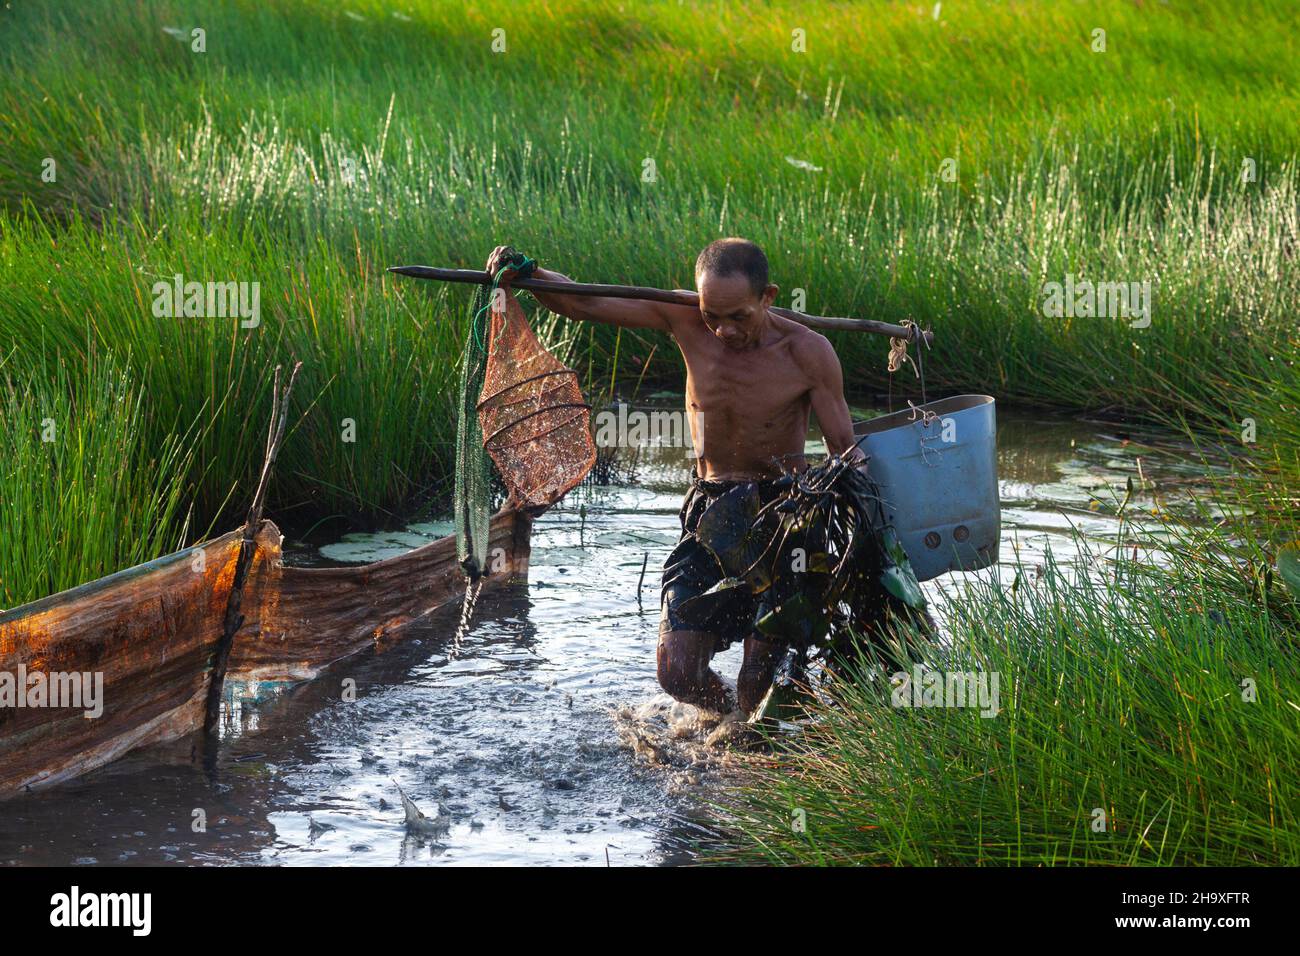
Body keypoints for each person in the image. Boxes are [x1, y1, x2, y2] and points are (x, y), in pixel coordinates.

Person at [485, 238, 866, 715]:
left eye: (738, 317)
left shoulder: (809, 352)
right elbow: (584, 301)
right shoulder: (682, 316)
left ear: (767, 296)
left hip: (782, 515)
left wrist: (874, 524)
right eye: (713, 316)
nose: (723, 331)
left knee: (758, 682)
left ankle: (751, 745)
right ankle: (729, 727)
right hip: (709, 512)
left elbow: (846, 452)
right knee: (678, 672)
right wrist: (531, 274)